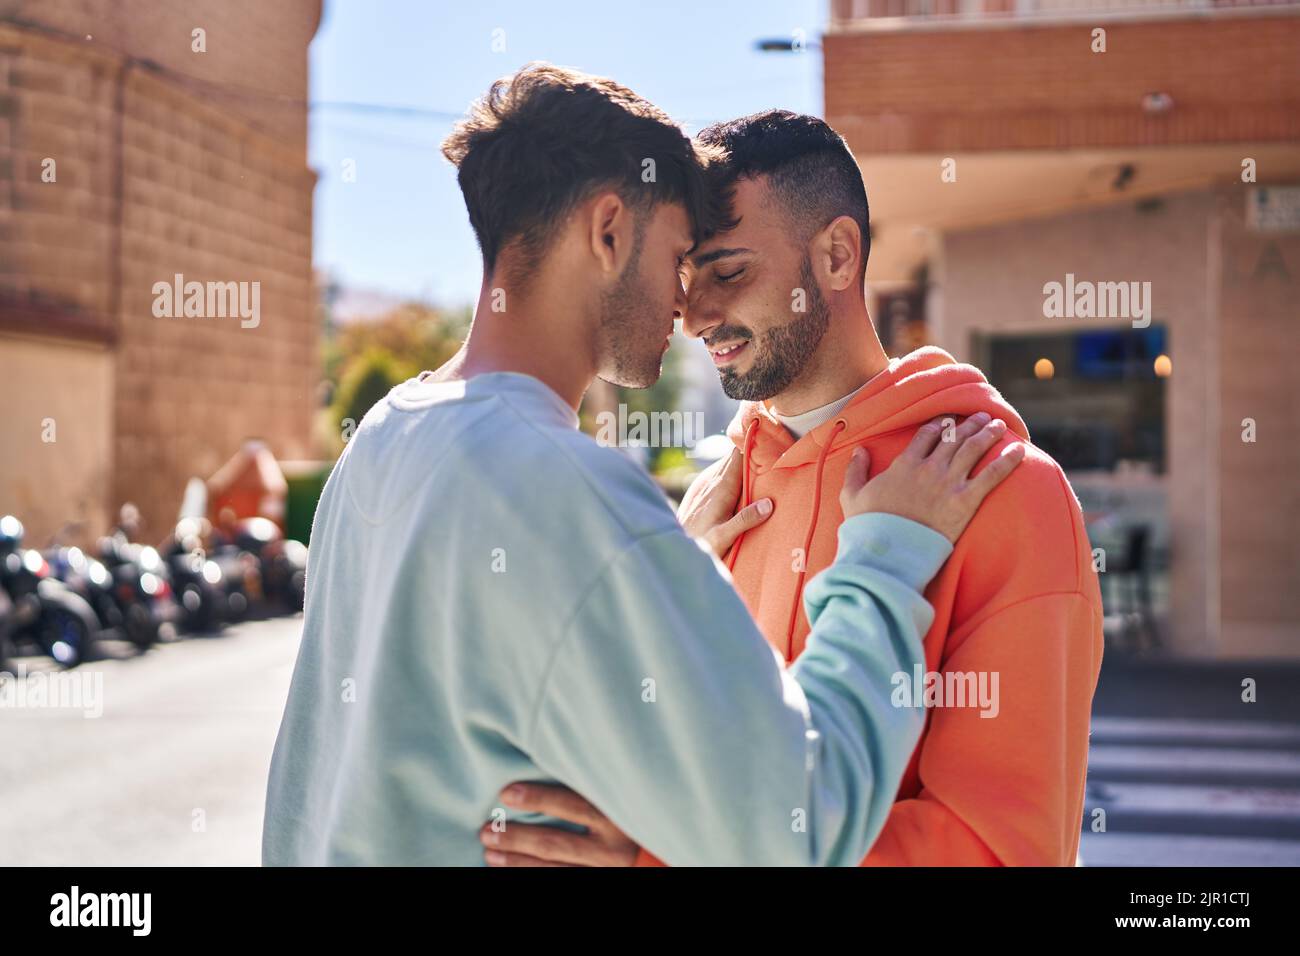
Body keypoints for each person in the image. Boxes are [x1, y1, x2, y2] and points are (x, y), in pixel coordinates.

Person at [261, 68, 1023, 866]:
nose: (685, 309)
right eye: (678, 258)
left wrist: (658, 573)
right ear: (609, 231)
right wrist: (884, 560)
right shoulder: (562, 488)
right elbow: (801, 822)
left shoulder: (382, 439)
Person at [490, 110, 1101, 868]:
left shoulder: (1006, 494)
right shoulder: (713, 501)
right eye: (686, 279)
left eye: (730, 271)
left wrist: (656, 851)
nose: (697, 317)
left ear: (838, 256)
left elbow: (997, 849)